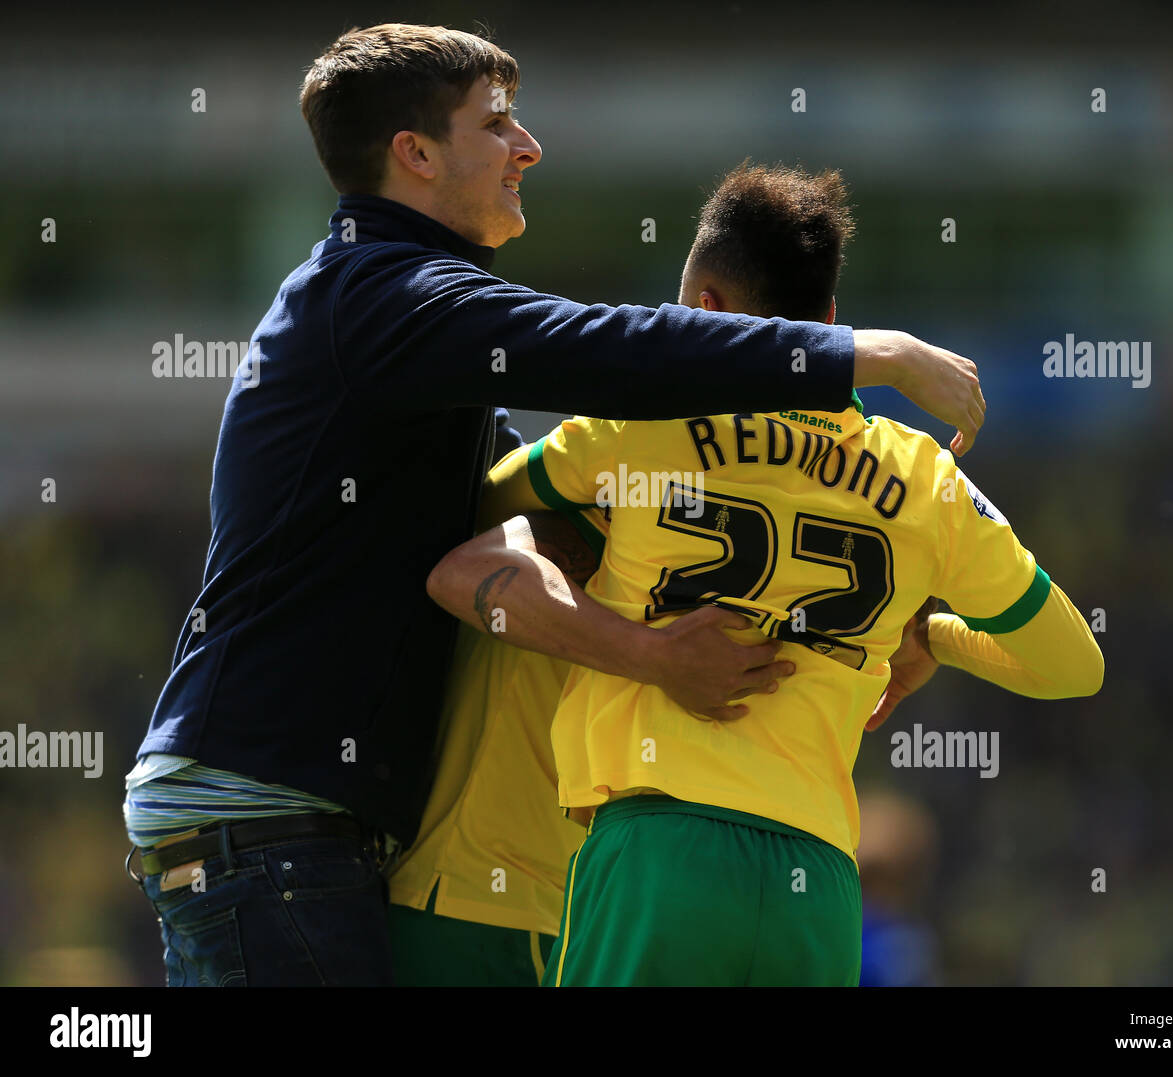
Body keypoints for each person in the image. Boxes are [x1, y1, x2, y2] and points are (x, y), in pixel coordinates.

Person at [122, 24, 986, 987]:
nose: (527, 147)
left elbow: (533, 519)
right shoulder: (384, 294)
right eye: (495, 125)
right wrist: (860, 356)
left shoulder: (398, 317)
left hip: (276, 817)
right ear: (414, 154)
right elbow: (604, 349)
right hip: (268, 819)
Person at [441, 161, 1104, 985]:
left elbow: (470, 508)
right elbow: (1075, 665)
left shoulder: (639, 425)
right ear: (827, 321)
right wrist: (933, 633)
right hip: (819, 880)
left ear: (703, 312)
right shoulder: (928, 480)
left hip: (659, 848)